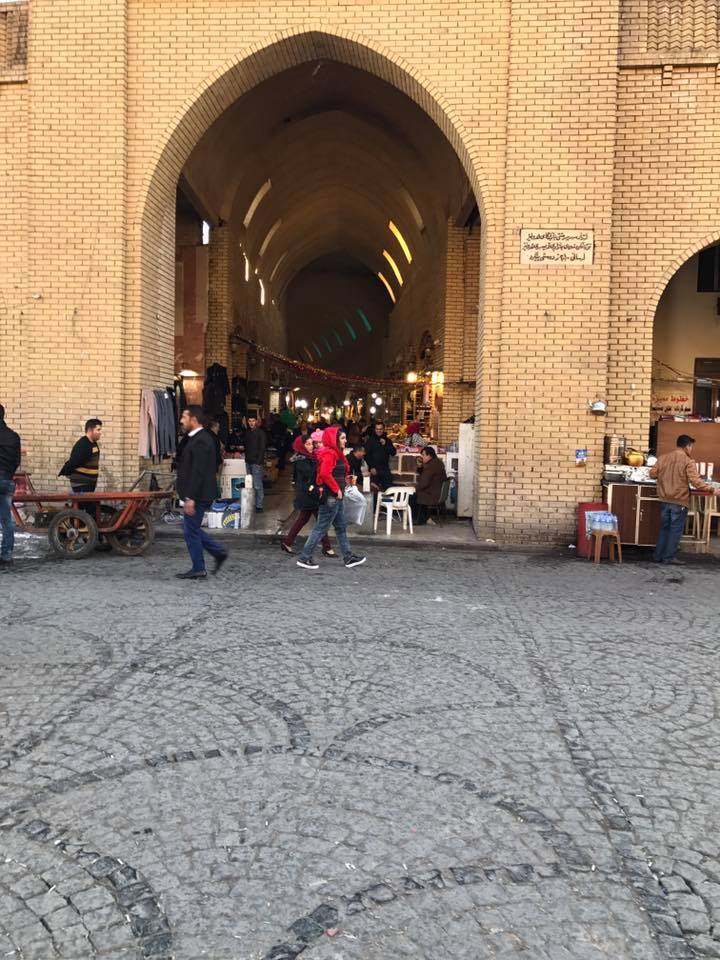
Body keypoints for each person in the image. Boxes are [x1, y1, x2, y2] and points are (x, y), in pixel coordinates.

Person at [296, 426, 366, 570]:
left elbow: (334, 473)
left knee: (340, 527)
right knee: (321, 528)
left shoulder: (336, 453)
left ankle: (348, 557)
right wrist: (336, 489)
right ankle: (304, 557)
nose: (345, 441)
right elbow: (324, 473)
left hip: (335, 497)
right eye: (342, 438)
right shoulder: (330, 453)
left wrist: (344, 484)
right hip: (331, 497)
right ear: (334, 439)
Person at [175, 405, 228, 579]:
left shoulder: (201, 440)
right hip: (197, 493)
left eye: (184, 417)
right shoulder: (197, 438)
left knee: (190, 530)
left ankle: (199, 567)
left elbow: (198, 471)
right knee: (190, 527)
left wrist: (190, 497)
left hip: (198, 494)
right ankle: (218, 552)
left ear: (194, 419)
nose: (181, 420)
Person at [649, 433, 716, 565]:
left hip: (664, 499)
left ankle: (658, 556)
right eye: (691, 447)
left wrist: (664, 475)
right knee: (675, 530)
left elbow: (652, 474)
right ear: (687, 446)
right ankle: (668, 557)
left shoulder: (663, 458)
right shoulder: (688, 461)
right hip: (679, 501)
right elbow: (696, 481)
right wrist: (712, 489)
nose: (691, 449)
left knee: (664, 528)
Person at [281, 435, 335, 557]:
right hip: (308, 494)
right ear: (302, 445)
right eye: (308, 444)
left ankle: (287, 542)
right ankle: (327, 548)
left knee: (304, 520)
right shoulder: (301, 459)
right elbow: (309, 473)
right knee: (319, 521)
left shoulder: (310, 457)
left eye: (312, 443)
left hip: (310, 494)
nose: (311, 446)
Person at [0, 404, 21, 567]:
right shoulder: (13, 436)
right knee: (6, 520)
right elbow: (17, 461)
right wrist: (8, 474)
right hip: (7, 480)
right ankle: (6, 557)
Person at [59, 418, 103, 494]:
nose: (100, 432)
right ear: (90, 430)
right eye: (98, 430)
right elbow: (73, 462)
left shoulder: (93, 443)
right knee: (84, 502)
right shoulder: (83, 445)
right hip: (81, 484)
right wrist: (68, 473)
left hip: (89, 484)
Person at [410, 446, 447, 525]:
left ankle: (419, 519)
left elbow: (424, 483)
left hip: (432, 494)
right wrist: (420, 467)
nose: (422, 457)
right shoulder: (437, 462)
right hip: (437, 491)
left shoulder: (430, 466)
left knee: (412, 496)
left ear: (429, 456)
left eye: (423, 455)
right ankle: (426, 518)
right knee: (417, 494)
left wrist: (413, 488)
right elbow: (426, 477)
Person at [244, 414, 267, 512]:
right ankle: (252, 504)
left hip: (256, 462)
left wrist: (258, 462)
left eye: (253, 421)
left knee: (257, 484)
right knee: (250, 484)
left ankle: (259, 506)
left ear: (256, 422)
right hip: (248, 461)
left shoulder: (261, 433)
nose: (251, 423)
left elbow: (262, 448)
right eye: (249, 421)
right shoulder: (247, 432)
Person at [364, 420, 396, 491]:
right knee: (374, 490)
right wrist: (371, 467)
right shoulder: (370, 441)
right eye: (377, 429)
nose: (379, 431)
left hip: (385, 468)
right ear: (375, 429)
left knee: (388, 489)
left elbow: (393, 452)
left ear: (383, 429)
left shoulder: (388, 441)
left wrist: (385, 444)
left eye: (380, 429)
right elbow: (366, 455)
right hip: (374, 469)